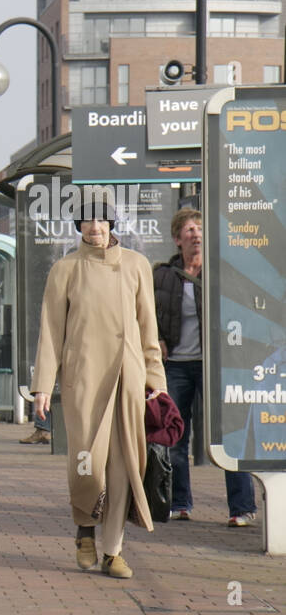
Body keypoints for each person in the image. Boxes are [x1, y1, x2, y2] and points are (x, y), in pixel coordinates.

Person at [32, 189, 166, 580]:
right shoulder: (66, 269)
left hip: (128, 378)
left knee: (124, 467)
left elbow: (148, 328)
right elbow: (51, 331)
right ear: (79, 227)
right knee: (88, 465)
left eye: (102, 220)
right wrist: (43, 385)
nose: (95, 228)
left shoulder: (137, 265)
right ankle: (84, 528)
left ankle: (113, 551)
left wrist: (156, 381)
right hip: (84, 379)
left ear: (112, 224)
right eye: (87, 221)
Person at [153, 207, 258, 527]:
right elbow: (146, 315)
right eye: (189, 230)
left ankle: (241, 508)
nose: (196, 235)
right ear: (177, 239)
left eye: (200, 229)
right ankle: (179, 502)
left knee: (230, 434)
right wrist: (157, 339)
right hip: (177, 367)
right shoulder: (162, 276)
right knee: (175, 435)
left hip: (217, 368)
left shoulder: (223, 273)